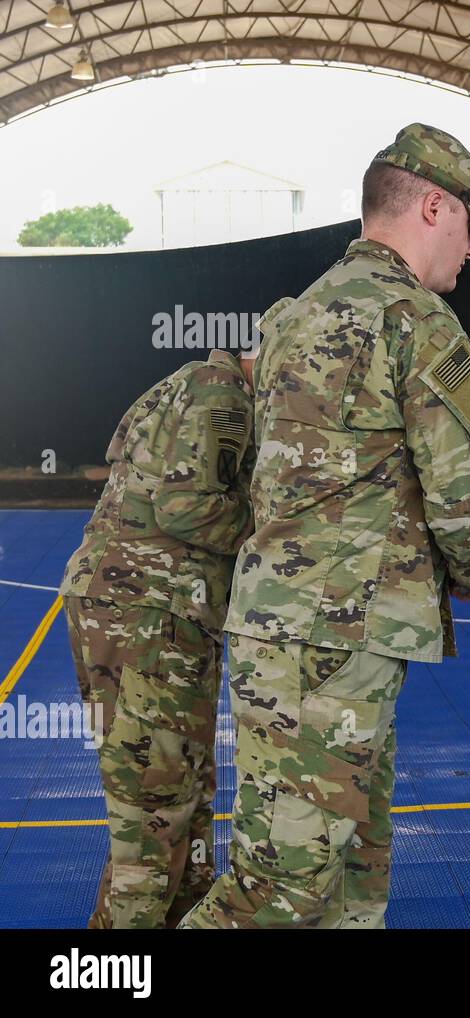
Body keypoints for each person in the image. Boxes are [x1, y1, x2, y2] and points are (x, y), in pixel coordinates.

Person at [180, 124, 470, 928]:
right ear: (435, 207)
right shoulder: (416, 321)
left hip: (295, 628)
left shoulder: (292, 316)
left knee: (353, 864)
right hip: (341, 639)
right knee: (282, 888)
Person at [60, 347, 256, 928]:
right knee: (155, 815)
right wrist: (275, 530)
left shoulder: (195, 381)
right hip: (150, 614)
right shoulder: (223, 392)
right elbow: (187, 507)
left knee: (182, 799)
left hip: (143, 611)